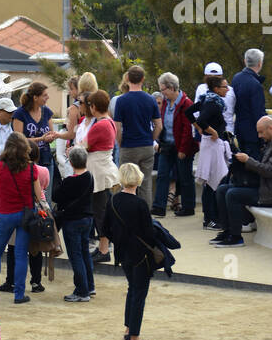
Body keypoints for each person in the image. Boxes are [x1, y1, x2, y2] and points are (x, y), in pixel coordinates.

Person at [210, 115, 272, 247]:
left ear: (271, 128)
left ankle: (236, 237)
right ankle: (227, 231)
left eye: (261, 132)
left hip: (271, 194)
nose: (259, 136)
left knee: (233, 194)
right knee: (222, 189)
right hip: (262, 186)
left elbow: (269, 171)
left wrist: (248, 160)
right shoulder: (270, 144)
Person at [0, 130, 44, 305]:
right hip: (25, 215)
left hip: (5, 213)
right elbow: (38, 195)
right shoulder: (31, 168)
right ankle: (19, 294)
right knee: (21, 254)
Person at [102, 162, 155, 340]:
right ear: (138, 179)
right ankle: (134, 337)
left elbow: (105, 227)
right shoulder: (140, 204)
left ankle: (128, 329)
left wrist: (113, 241)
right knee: (139, 293)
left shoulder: (114, 200)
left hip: (122, 253)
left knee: (132, 289)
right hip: (140, 254)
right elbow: (149, 233)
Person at [186, 75, 232, 229]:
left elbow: (189, 112)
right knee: (212, 181)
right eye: (225, 86)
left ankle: (212, 217)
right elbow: (200, 120)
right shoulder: (213, 103)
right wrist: (212, 131)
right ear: (217, 88)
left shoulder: (207, 99)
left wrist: (201, 128)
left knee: (214, 181)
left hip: (210, 145)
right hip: (211, 145)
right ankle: (209, 218)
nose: (227, 89)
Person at [152, 72, 198, 218]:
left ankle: (188, 207)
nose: (162, 93)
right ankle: (159, 207)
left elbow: (187, 129)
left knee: (185, 177)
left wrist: (183, 149)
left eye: (163, 89)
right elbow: (162, 123)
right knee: (162, 175)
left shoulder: (186, 103)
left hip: (182, 146)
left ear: (171, 87)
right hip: (167, 144)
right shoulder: (165, 102)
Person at [114, 66, 161, 205]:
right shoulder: (151, 100)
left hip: (128, 145)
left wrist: (120, 142)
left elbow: (117, 127)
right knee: (145, 184)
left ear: (127, 78)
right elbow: (159, 125)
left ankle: (127, 212)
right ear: (142, 79)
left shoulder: (121, 100)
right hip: (146, 145)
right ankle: (145, 214)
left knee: (127, 183)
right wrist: (151, 139)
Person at [55, 145, 96, 303]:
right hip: (87, 219)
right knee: (84, 252)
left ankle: (82, 290)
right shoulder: (89, 177)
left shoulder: (69, 181)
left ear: (71, 163)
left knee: (76, 255)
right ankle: (89, 285)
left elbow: (57, 197)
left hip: (72, 220)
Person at [83, 89, 119, 264]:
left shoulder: (101, 125)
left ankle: (104, 249)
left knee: (100, 213)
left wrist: (73, 149)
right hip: (103, 169)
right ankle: (104, 246)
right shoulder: (108, 122)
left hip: (99, 172)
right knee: (102, 211)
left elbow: (85, 146)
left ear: (94, 106)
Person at [12, 82, 57, 190]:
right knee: (29, 194)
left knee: (46, 196)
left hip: (45, 158)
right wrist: (41, 139)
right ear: (35, 97)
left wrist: (51, 137)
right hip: (26, 160)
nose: (48, 97)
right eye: (45, 95)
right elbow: (18, 140)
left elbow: (51, 133)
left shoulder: (46, 112)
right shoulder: (20, 114)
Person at [231, 48, 266, 159]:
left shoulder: (236, 78)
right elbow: (258, 112)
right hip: (253, 133)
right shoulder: (255, 85)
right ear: (260, 64)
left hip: (239, 128)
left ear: (245, 61)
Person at [193, 60, 236, 133]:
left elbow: (196, 114)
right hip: (211, 131)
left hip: (222, 131)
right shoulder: (201, 88)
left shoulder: (230, 91)